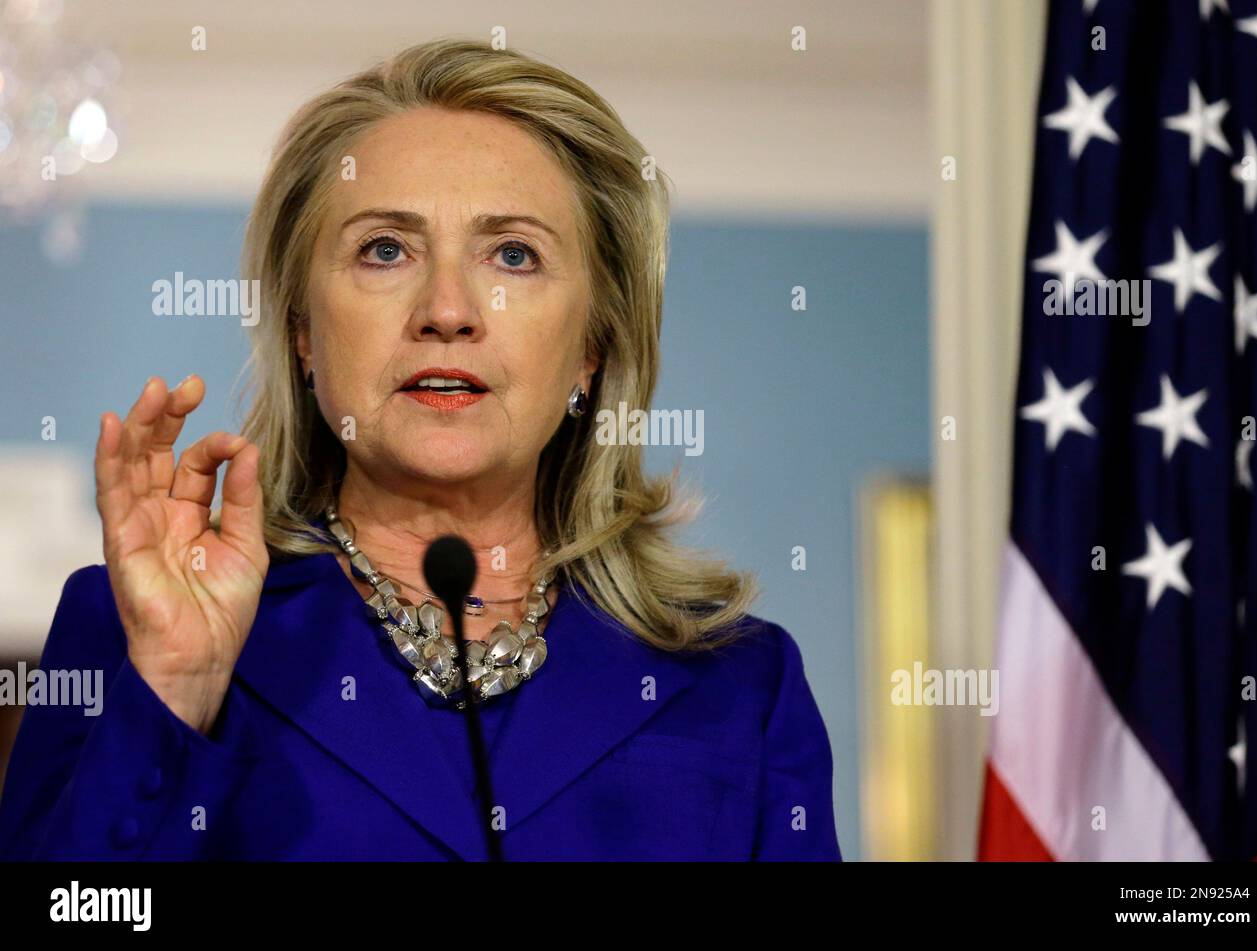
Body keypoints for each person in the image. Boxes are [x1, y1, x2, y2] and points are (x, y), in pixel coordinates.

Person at [0, 37, 841, 861]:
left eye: (514, 254)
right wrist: (175, 694)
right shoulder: (135, 628)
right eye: (385, 250)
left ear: (592, 343)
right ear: (302, 330)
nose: (447, 308)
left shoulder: (738, 684)